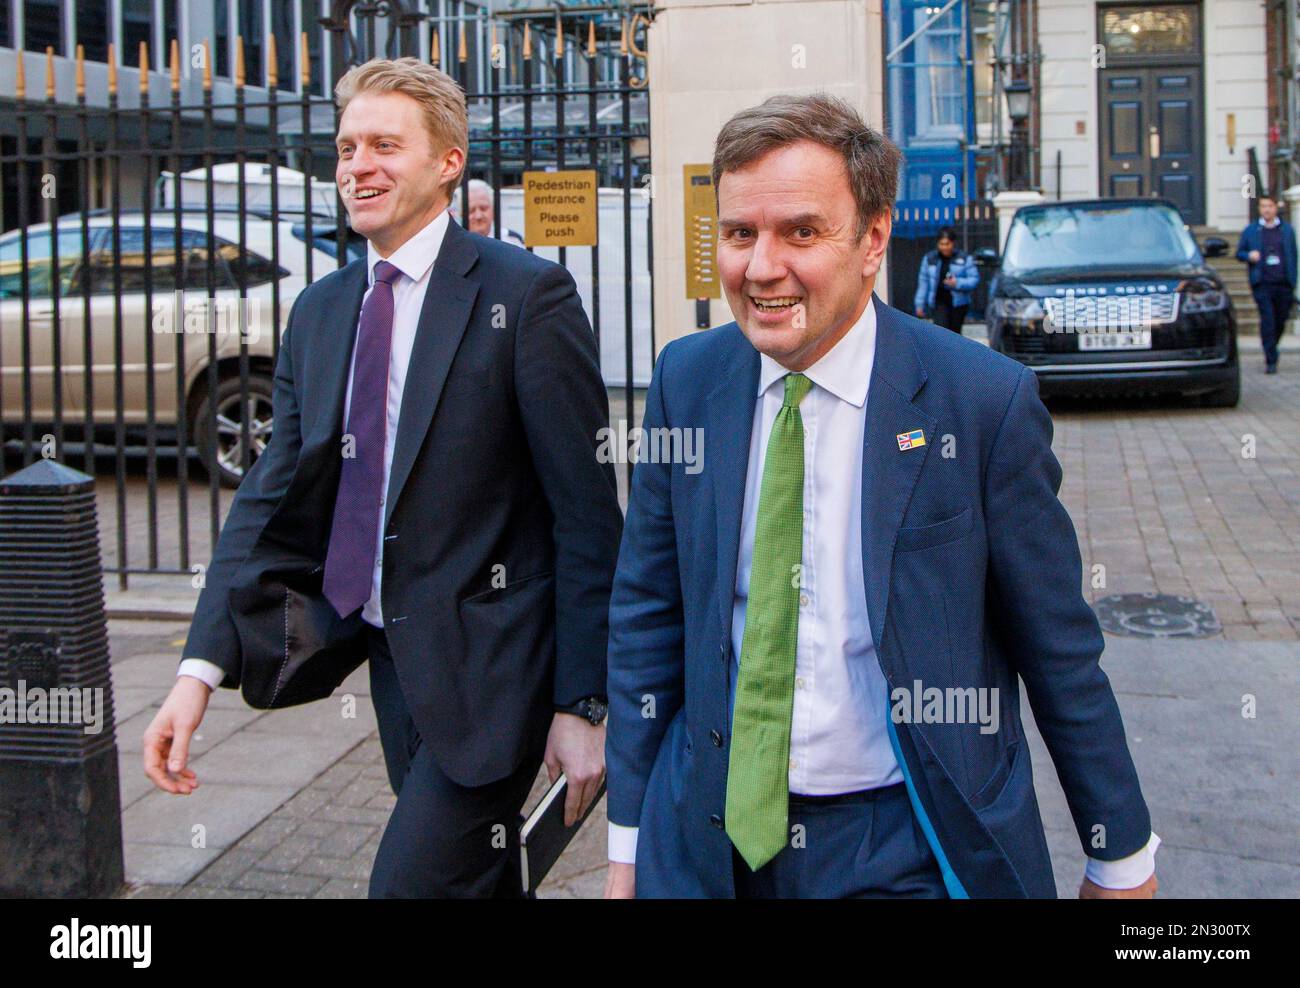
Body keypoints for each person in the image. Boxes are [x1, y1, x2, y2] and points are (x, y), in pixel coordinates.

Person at [604, 93, 1158, 899]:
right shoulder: (686, 383)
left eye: (801, 232)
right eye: (739, 234)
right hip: (705, 838)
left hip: (903, 842)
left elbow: (1057, 643)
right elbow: (646, 614)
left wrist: (1120, 855)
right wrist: (627, 847)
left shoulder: (980, 401)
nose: (762, 267)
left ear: (872, 239)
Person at [142, 57, 623, 898]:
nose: (357, 165)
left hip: (499, 668)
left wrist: (583, 705)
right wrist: (197, 673)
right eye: (346, 147)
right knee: (472, 882)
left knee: (407, 887)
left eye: (384, 146)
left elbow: (586, 514)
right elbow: (268, 496)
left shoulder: (526, 295)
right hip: (389, 658)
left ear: (447, 162)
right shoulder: (322, 312)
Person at [1235, 194, 1296, 373]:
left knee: (1280, 320)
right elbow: (1239, 253)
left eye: (1270, 206)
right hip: (1263, 283)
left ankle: (1271, 345)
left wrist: (1293, 280)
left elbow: (1293, 255)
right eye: (1263, 206)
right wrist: (1249, 256)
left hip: (1283, 283)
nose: (1267, 210)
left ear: (1276, 208)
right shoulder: (1251, 230)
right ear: (1259, 209)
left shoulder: (1286, 230)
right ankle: (1271, 359)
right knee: (1268, 320)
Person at [913, 226, 979, 333]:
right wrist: (919, 304)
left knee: (955, 334)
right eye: (941, 244)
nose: (944, 247)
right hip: (938, 302)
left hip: (958, 304)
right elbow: (923, 283)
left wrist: (957, 283)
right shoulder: (930, 259)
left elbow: (974, 279)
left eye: (947, 244)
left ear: (953, 243)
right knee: (941, 332)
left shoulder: (964, 258)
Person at [456, 178, 526, 247]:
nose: (478, 216)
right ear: (461, 213)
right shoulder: (455, 244)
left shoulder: (512, 241)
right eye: (471, 210)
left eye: (484, 208)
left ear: (493, 209)